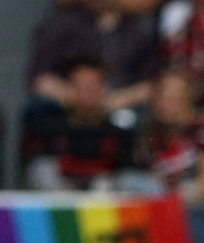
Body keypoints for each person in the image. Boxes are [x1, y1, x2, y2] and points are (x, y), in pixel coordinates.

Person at [23, 58, 144, 190]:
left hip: (106, 198)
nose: (86, 92)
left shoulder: (119, 132)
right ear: (68, 88)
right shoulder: (49, 129)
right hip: (60, 197)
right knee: (41, 169)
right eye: (80, 86)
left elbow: (127, 172)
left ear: (104, 89)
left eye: (92, 86)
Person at [26, 0, 163, 115]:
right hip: (65, 110)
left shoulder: (141, 30)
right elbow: (39, 77)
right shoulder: (63, 24)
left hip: (119, 108)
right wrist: (72, 96)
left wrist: (120, 99)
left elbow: (151, 83)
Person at [139, 67, 204, 198]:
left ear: (189, 98)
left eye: (175, 97)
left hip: (198, 206)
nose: (167, 104)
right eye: (163, 96)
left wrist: (180, 198)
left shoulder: (202, 130)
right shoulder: (150, 131)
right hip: (159, 201)